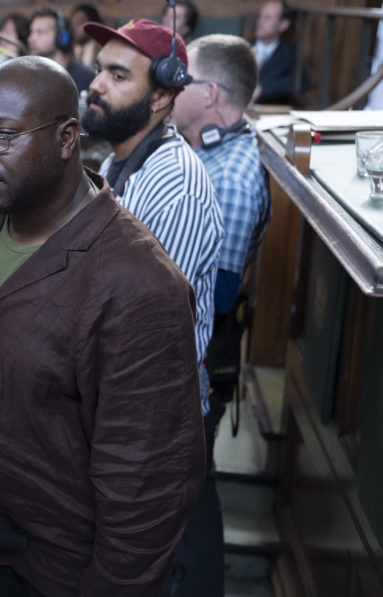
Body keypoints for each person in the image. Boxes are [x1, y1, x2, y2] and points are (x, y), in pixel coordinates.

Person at [0, 55, 205, 596]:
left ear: (67, 138)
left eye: (4, 136)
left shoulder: (138, 284)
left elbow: (146, 480)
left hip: (58, 574)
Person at [167, 34, 272, 597]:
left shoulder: (229, 174)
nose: (172, 87)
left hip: (204, 353)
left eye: (183, 78)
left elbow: (219, 293)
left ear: (209, 93)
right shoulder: (207, 152)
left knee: (189, 491)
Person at [81, 18, 224, 418]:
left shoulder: (177, 186)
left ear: (161, 97)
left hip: (151, 411)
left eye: (118, 76)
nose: (96, 85)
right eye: (99, 70)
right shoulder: (118, 161)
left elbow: (149, 327)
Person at [27, 7, 95, 93]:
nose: (30, 39)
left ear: (61, 37)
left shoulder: (87, 77)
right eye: (31, 32)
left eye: (40, 32)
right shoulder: (29, 76)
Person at [252, 1, 308, 104]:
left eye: (267, 18)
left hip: (270, 108)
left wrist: (263, 89)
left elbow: (301, 82)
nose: (260, 21)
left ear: (283, 25)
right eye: (260, 16)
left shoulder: (290, 53)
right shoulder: (243, 46)